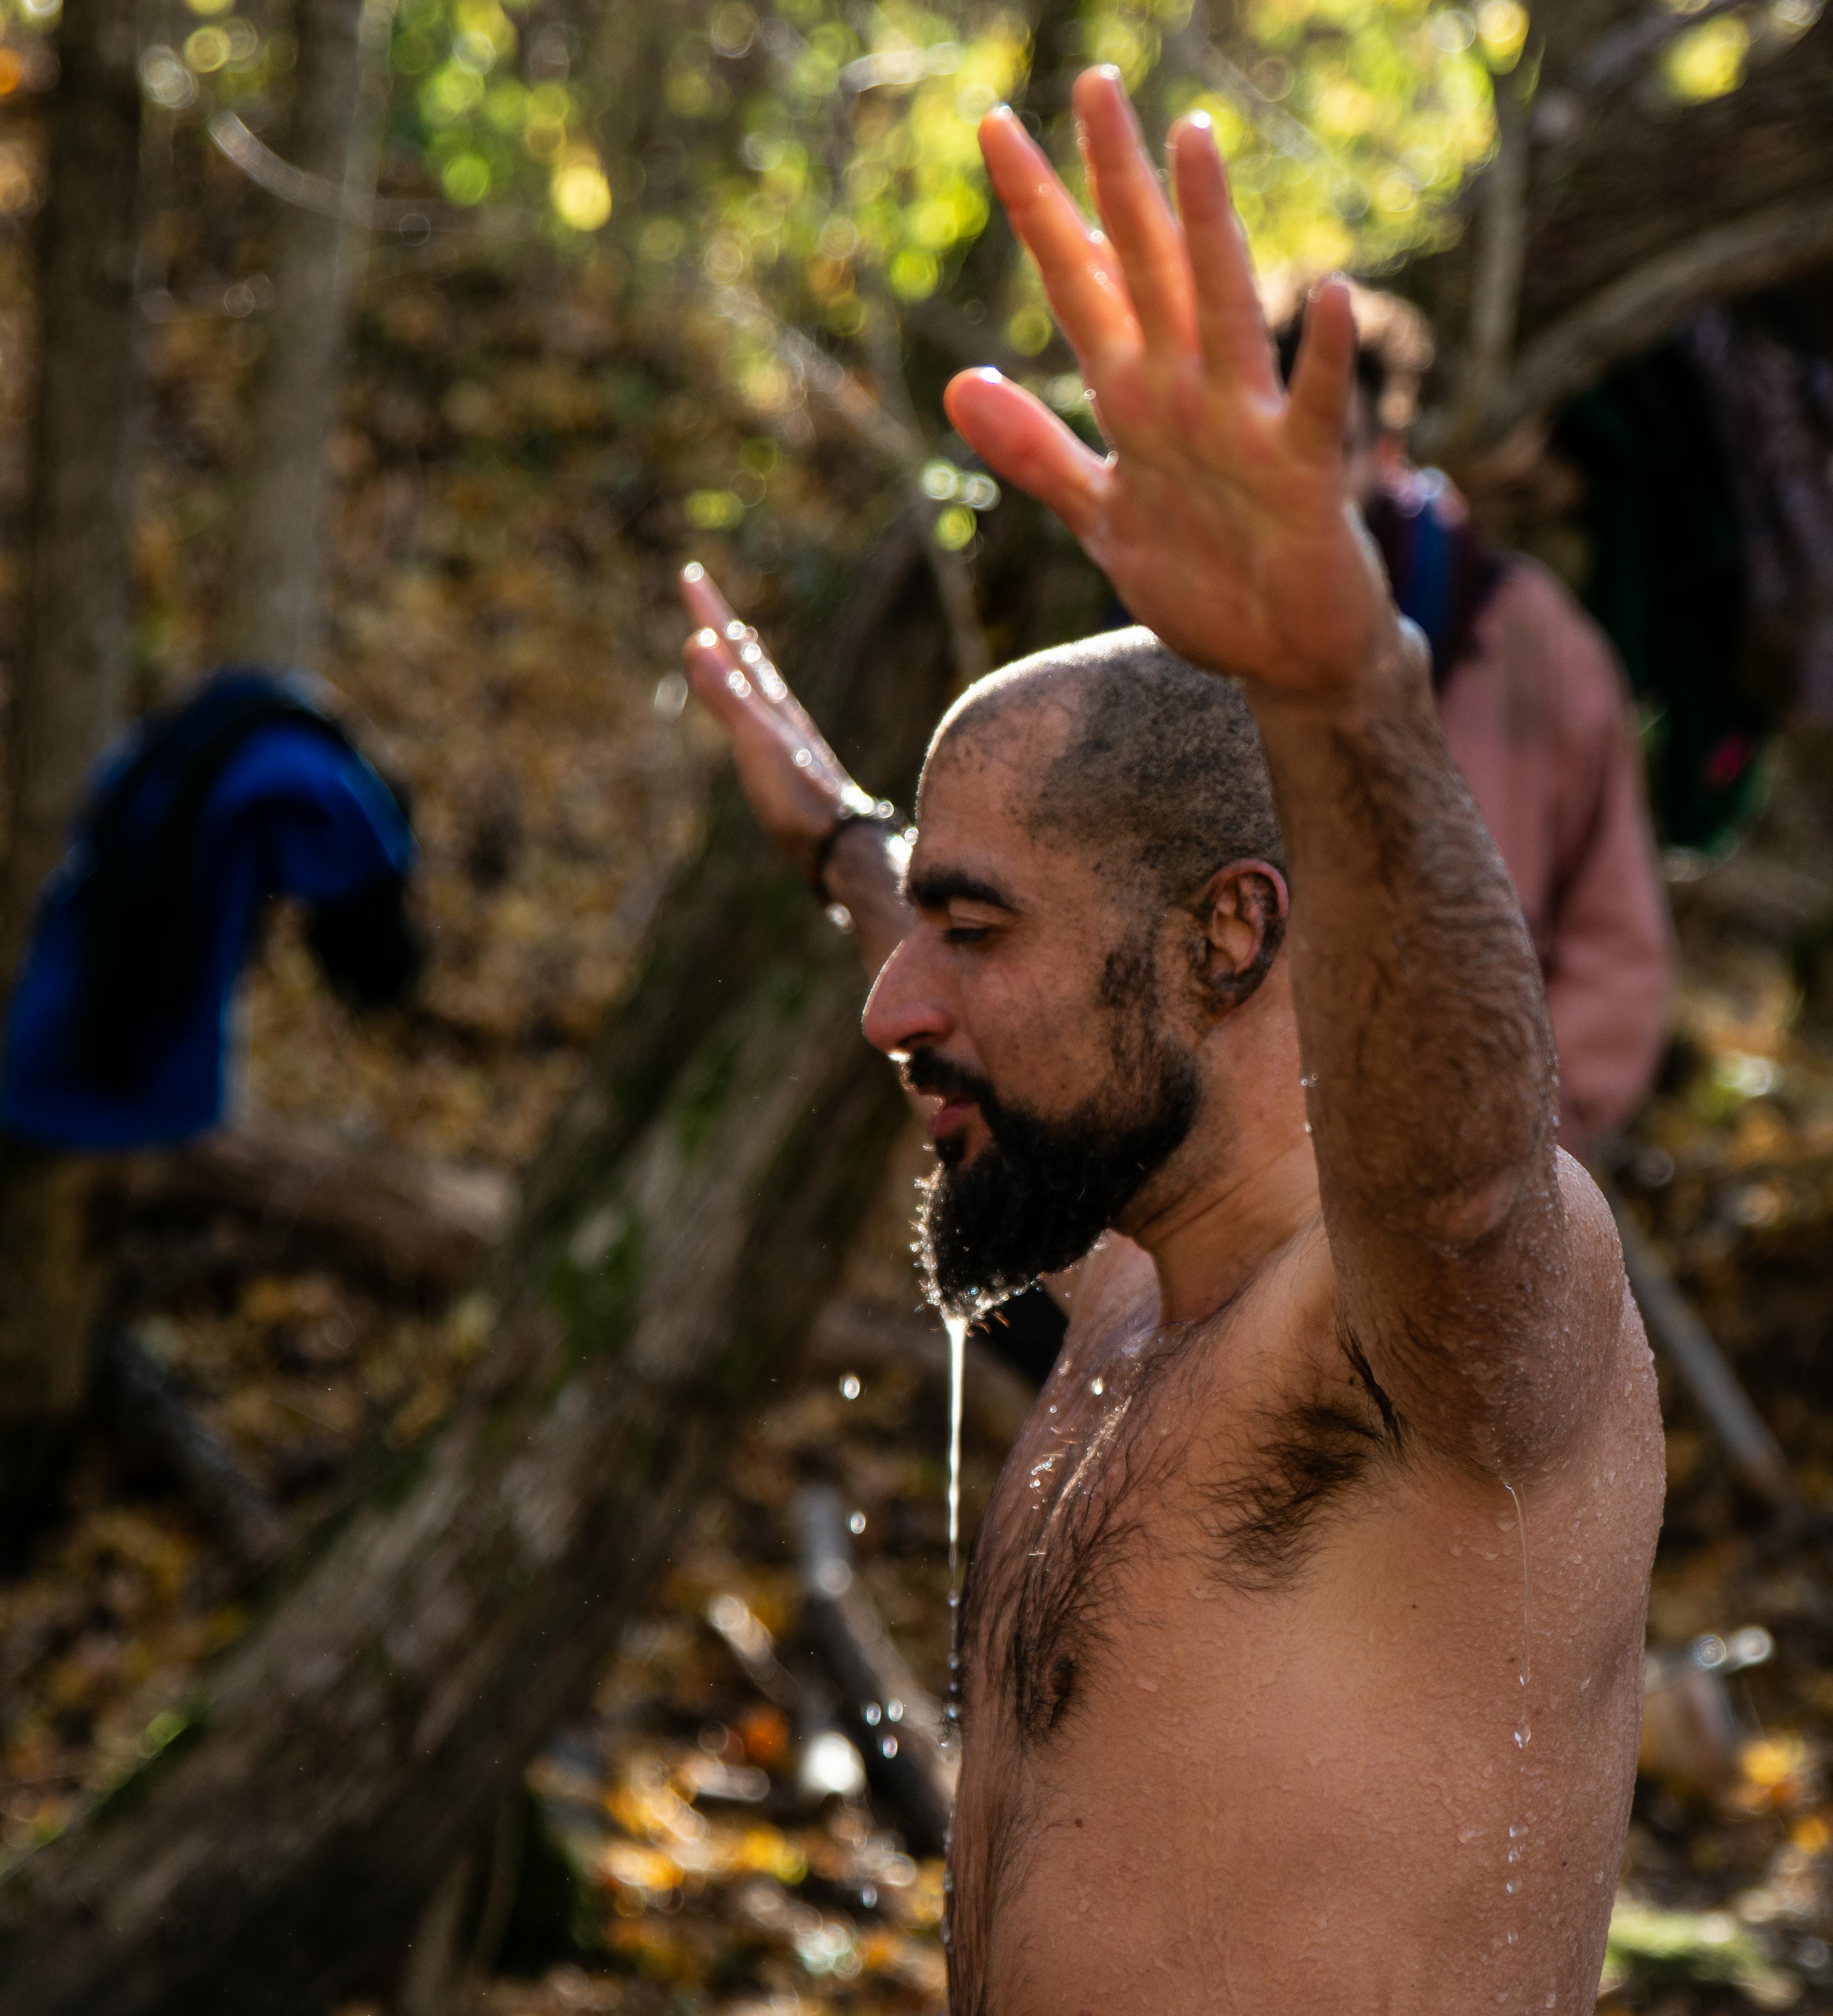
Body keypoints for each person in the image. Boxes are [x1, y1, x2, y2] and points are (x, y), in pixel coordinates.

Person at [676, 71, 1660, 2013]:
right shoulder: (1141, 1263)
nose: (895, 1009)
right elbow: (1008, 983)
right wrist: (846, 843)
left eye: (968, 931)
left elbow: (1452, 1157)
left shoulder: (1433, 1324)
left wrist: (1343, 686)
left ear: (1228, 929)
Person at [1275, 283, 1672, 1154]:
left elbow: (1616, 938)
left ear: (1384, 448)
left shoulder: (1529, 640)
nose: (1300, 482)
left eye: (1328, 447)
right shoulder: (1166, 637)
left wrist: (1513, 1138)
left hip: (1473, 1166)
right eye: (1273, 449)